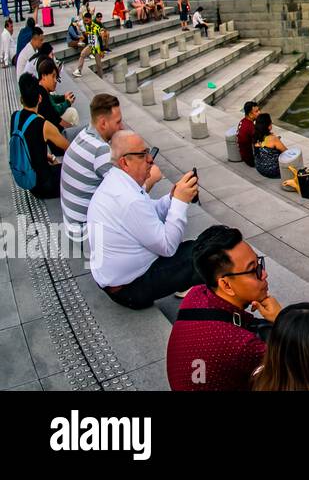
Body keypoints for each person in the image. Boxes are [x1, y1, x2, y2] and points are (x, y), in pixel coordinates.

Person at [85, 131, 201, 309]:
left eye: (148, 153)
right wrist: (180, 202)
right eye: (142, 155)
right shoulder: (127, 198)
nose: (150, 160)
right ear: (124, 162)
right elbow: (168, 247)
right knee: (205, 254)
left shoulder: (118, 182)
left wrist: (171, 198)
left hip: (120, 282)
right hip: (130, 289)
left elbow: (150, 212)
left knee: (197, 247)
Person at [166, 225, 283, 392]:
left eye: (259, 263)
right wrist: (282, 318)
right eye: (253, 270)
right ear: (226, 284)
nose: (264, 274)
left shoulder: (197, 293)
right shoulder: (241, 345)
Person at [60, 93, 132, 236]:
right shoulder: (101, 150)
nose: (122, 127)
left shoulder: (83, 135)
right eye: (118, 122)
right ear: (103, 123)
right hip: (86, 234)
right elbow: (128, 196)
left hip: (71, 224)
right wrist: (150, 179)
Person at [9, 75, 69, 198]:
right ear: (40, 98)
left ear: (21, 99)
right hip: (45, 185)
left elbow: (28, 147)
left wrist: (49, 158)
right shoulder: (43, 125)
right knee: (74, 172)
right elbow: (68, 148)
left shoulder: (14, 117)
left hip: (29, 182)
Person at [252, 113, 287, 179]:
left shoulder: (256, 135)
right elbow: (286, 152)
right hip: (273, 172)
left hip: (260, 167)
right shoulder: (273, 138)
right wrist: (276, 140)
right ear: (268, 126)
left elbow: (263, 146)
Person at [237, 101, 259, 167]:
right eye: (256, 111)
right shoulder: (250, 127)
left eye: (259, 110)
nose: (259, 113)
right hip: (251, 160)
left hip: (244, 155)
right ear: (250, 114)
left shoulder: (243, 121)